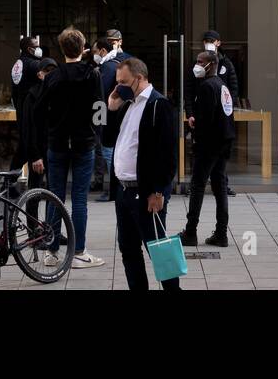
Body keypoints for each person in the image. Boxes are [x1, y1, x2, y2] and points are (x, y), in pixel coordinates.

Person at [103, 56, 180, 290]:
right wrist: (112, 104)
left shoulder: (159, 104)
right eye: (117, 83)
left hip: (146, 192)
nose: (119, 87)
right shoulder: (129, 104)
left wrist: (158, 191)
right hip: (124, 191)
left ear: (139, 78)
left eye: (123, 82)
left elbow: (168, 155)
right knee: (128, 249)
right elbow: (108, 139)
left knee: (158, 248)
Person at [41, 27, 105, 269]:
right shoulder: (92, 74)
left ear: (62, 49)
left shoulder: (52, 77)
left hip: (57, 142)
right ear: (83, 47)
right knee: (80, 199)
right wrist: (96, 135)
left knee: (54, 196)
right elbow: (100, 108)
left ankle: (52, 250)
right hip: (83, 143)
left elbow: (42, 110)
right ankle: (78, 251)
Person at [180, 52, 233, 247]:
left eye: (200, 62)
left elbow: (206, 119)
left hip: (208, 144)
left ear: (211, 64)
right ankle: (221, 233)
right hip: (223, 141)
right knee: (220, 188)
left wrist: (196, 133)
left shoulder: (207, 87)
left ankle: (190, 231)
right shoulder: (222, 86)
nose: (197, 65)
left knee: (198, 186)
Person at [24, 58, 59, 192]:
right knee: (35, 191)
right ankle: (31, 215)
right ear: (39, 74)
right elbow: (28, 127)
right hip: (38, 150)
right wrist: (35, 156)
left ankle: (51, 214)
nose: (50, 74)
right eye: (46, 71)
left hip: (54, 149)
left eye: (53, 71)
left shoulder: (58, 93)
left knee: (54, 192)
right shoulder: (32, 96)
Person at [94, 38, 123, 201]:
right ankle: (115, 189)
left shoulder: (107, 67)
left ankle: (114, 190)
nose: (94, 55)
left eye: (95, 51)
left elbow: (100, 94)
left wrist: (96, 120)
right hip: (112, 116)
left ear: (103, 51)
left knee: (108, 152)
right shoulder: (116, 64)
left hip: (107, 118)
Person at [11, 34, 44, 174]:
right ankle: (33, 189)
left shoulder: (18, 64)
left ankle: (10, 184)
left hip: (21, 110)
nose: (39, 49)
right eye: (37, 46)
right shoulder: (34, 65)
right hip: (32, 111)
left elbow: (14, 91)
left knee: (24, 148)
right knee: (33, 148)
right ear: (30, 49)